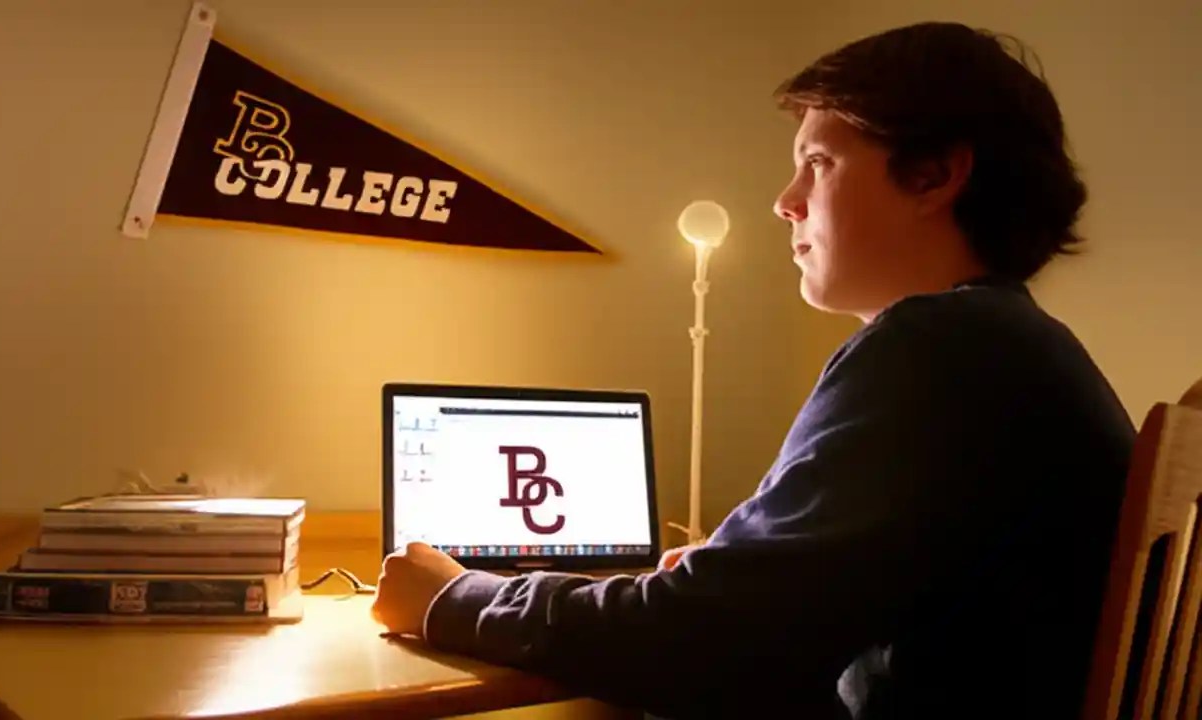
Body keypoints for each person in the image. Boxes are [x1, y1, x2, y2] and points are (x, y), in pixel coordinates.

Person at [371, 21, 1135, 720]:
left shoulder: (941, 348)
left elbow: (710, 648)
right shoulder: (1010, 346)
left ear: (933, 175)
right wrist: (724, 583)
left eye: (818, 162)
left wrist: (455, 599)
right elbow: (763, 621)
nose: (784, 202)